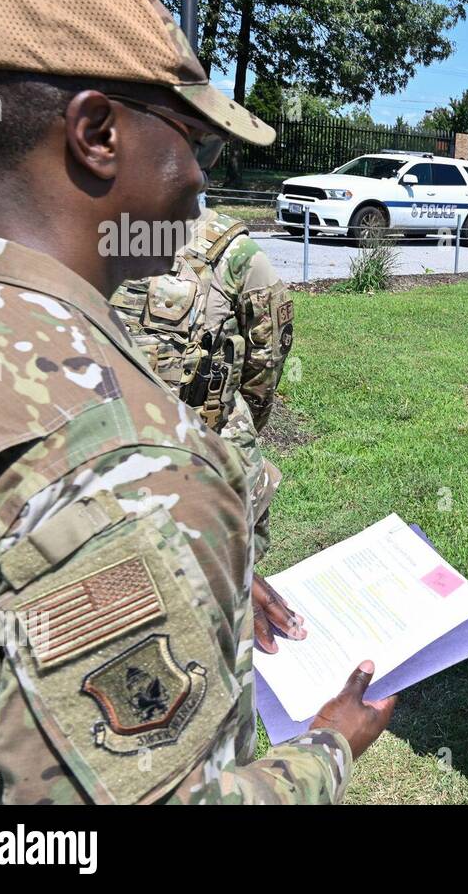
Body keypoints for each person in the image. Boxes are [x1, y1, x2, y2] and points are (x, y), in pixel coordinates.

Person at [0, 0, 390, 804]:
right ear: (98, 134)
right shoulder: (117, 456)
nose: (198, 181)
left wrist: (191, 572)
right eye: (195, 143)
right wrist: (331, 749)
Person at [110, 208, 302, 652]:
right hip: (192, 465)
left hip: (192, 470)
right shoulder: (236, 253)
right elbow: (265, 368)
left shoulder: (236, 254)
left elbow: (265, 362)